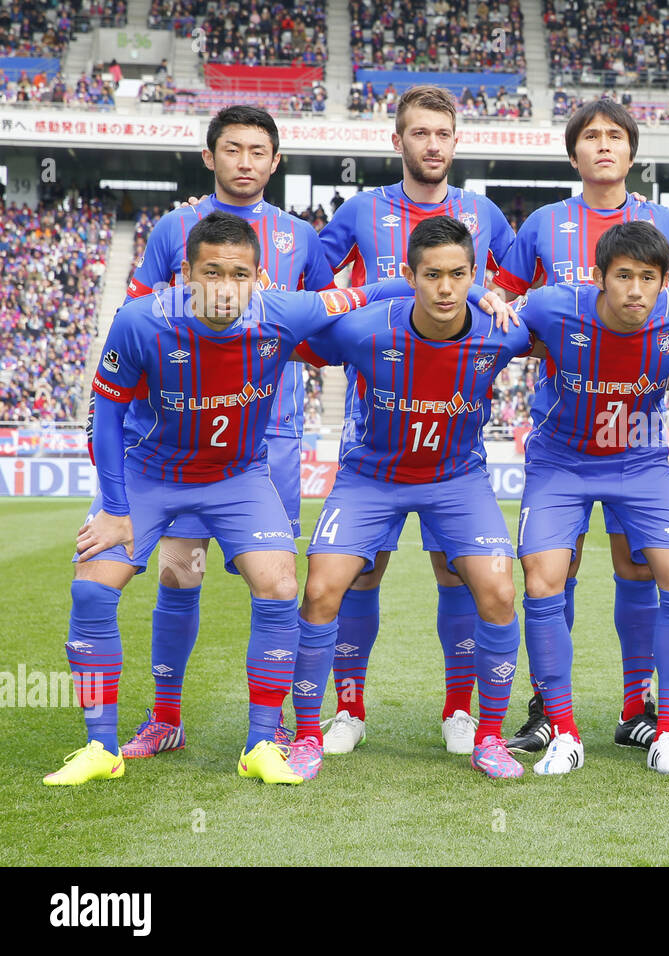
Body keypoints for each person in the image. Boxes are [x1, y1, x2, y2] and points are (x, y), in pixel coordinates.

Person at [44, 212, 397, 786]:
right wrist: (114, 507)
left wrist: (480, 294)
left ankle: (260, 740)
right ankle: (99, 747)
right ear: (185, 273)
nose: (225, 287)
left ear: (259, 279)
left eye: (239, 274)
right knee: (91, 588)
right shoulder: (140, 322)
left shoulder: (283, 312)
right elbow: (105, 417)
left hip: (238, 477)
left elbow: (381, 287)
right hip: (150, 475)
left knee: (281, 585)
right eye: (212, 272)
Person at [490, 98, 669, 756]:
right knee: (554, 567)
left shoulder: (665, 223)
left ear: (632, 149)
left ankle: (636, 705)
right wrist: (532, 341)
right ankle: (546, 706)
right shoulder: (542, 223)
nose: (602, 146)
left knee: (638, 565)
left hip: (638, 437)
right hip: (564, 425)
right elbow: (506, 302)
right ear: (573, 154)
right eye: (589, 137)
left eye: (614, 136)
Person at [116, 106, 336, 776]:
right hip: (182, 442)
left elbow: (321, 337)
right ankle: (167, 719)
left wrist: (264, 336)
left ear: (276, 162)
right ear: (209, 156)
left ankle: (287, 733)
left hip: (268, 438)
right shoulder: (175, 228)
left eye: (257, 151)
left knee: (276, 583)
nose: (245, 161)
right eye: (232, 149)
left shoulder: (301, 238)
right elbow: (143, 318)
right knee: (180, 573)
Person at [316, 85, 517, 758]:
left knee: (455, 570)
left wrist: (496, 295)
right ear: (397, 141)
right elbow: (314, 284)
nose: (432, 144)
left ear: (457, 143)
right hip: (376, 423)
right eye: (420, 133)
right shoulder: (361, 211)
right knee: (359, 573)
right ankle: (348, 709)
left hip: (452, 418)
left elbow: (518, 288)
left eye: (443, 133)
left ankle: (461, 710)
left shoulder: (484, 213)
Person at [297, 217, 530, 779]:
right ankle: (318, 727)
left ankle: (484, 732)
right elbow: (290, 334)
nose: (445, 288)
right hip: (371, 477)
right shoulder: (364, 330)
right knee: (323, 588)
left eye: (458, 276)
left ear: (476, 276)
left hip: (457, 479)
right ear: (409, 276)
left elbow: (583, 325)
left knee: (498, 590)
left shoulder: (503, 330)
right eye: (431, 276)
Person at [510, 222, 669, 776]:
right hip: (561, 462)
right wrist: (488, 299)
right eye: (623, 276)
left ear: (664, 282)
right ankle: (563, 728)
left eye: (648, 278)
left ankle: (667, 730)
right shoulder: (554, 306)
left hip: (639, 462)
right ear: (598, 277)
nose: (635, 290)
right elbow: (496, 327)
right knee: (543, 577)